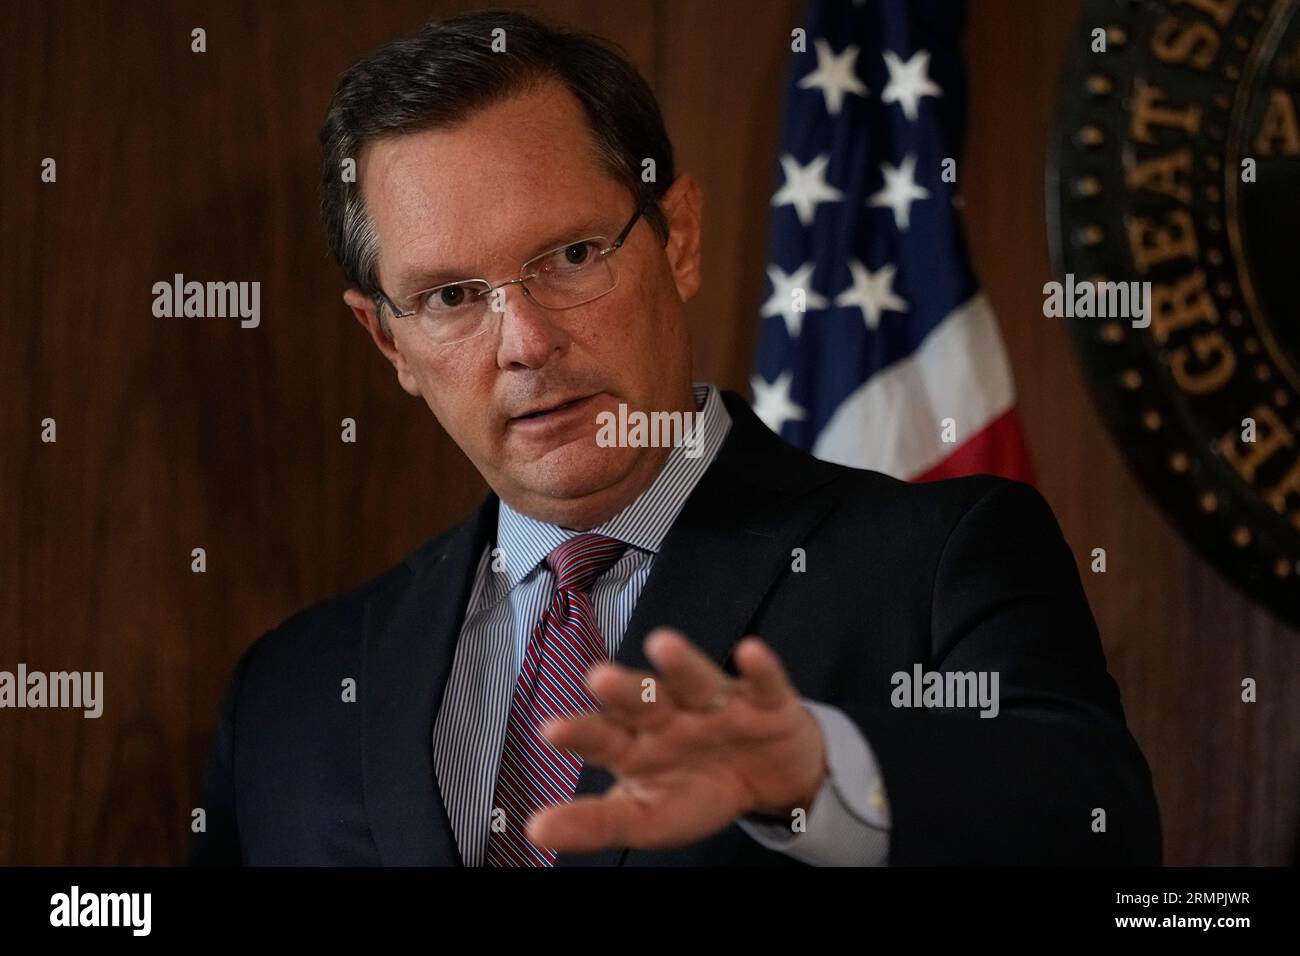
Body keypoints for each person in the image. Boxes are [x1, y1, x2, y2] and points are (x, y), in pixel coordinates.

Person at [190, 9, 1161, 867]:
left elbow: (1095, 823)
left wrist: (817, 778)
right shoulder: (290, 691)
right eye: (450, 296)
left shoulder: (940, 561)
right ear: (386, 338)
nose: (525, 343)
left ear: (679, 236)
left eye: (571, 255)